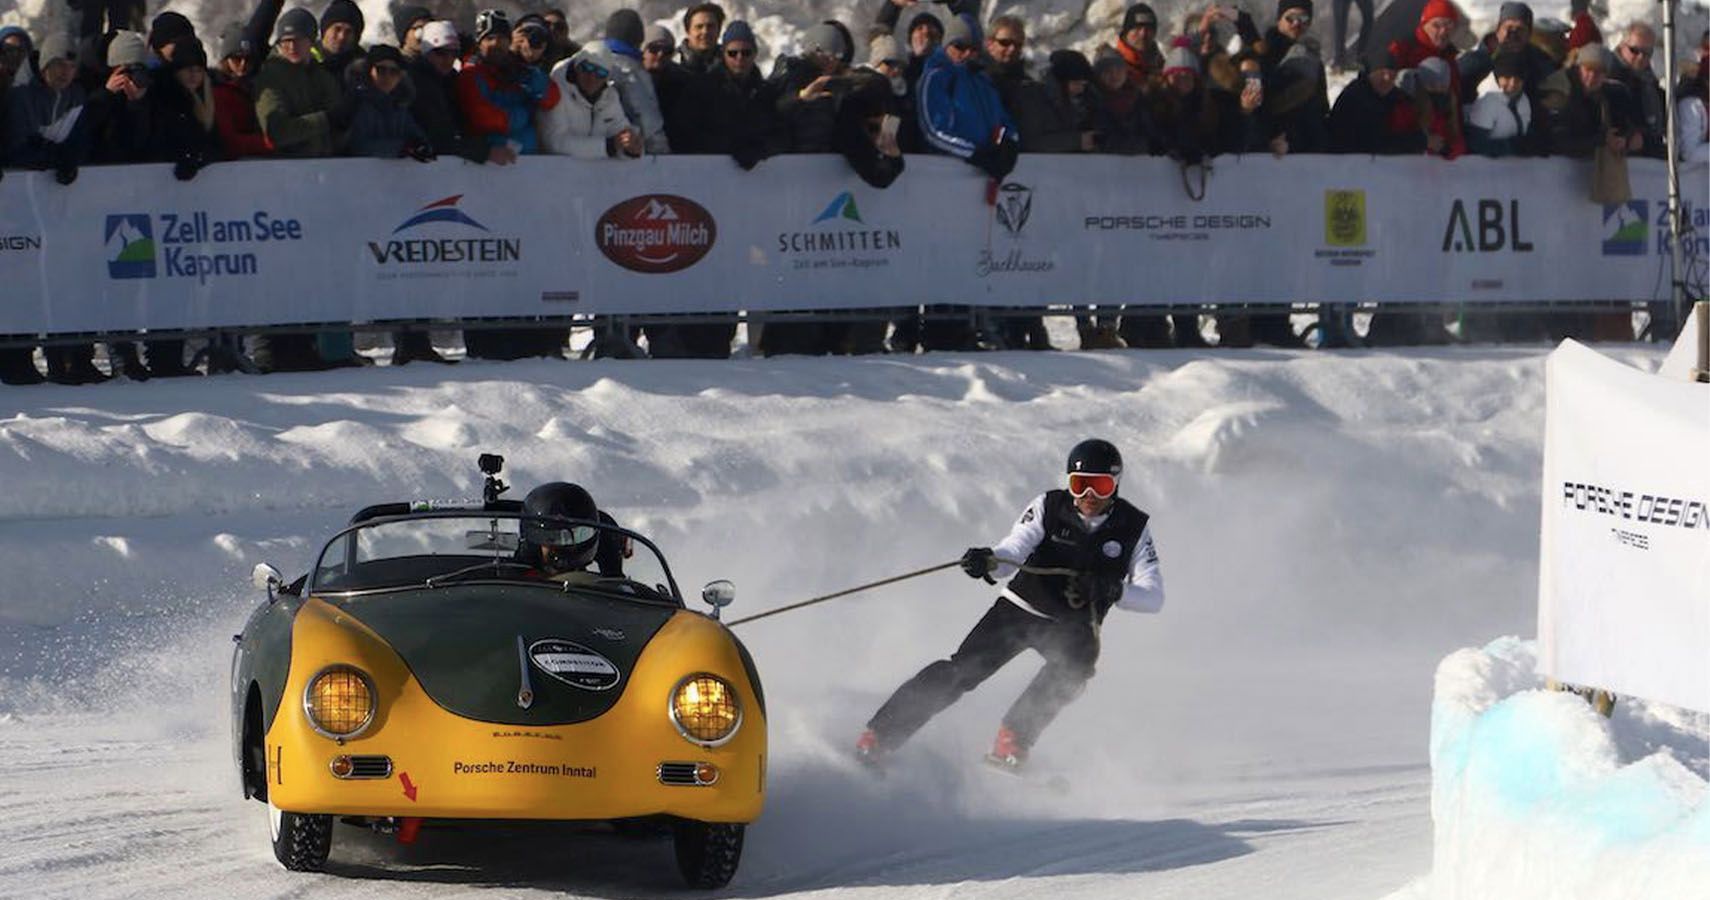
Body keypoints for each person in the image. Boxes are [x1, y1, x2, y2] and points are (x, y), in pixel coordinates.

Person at [855, 439, 1165, 771]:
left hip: (1073, 626)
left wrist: (1113, 590)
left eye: (1100, 485)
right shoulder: (1049, 506)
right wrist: (988, 561)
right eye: (1080, 484)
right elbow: (1012, 552)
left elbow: (1153, 597)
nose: (1089, 495)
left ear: (1115, 485)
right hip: (1020, 610)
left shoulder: (1132, 527)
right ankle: (879, 737)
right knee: (962, 671)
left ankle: (1012, 743)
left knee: (1072, 672)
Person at [519, 482, 627, 580]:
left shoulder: (602, 587)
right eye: (551, 537)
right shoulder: (515, 581)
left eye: (579, 534)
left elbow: (617, 582)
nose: (563, 544)